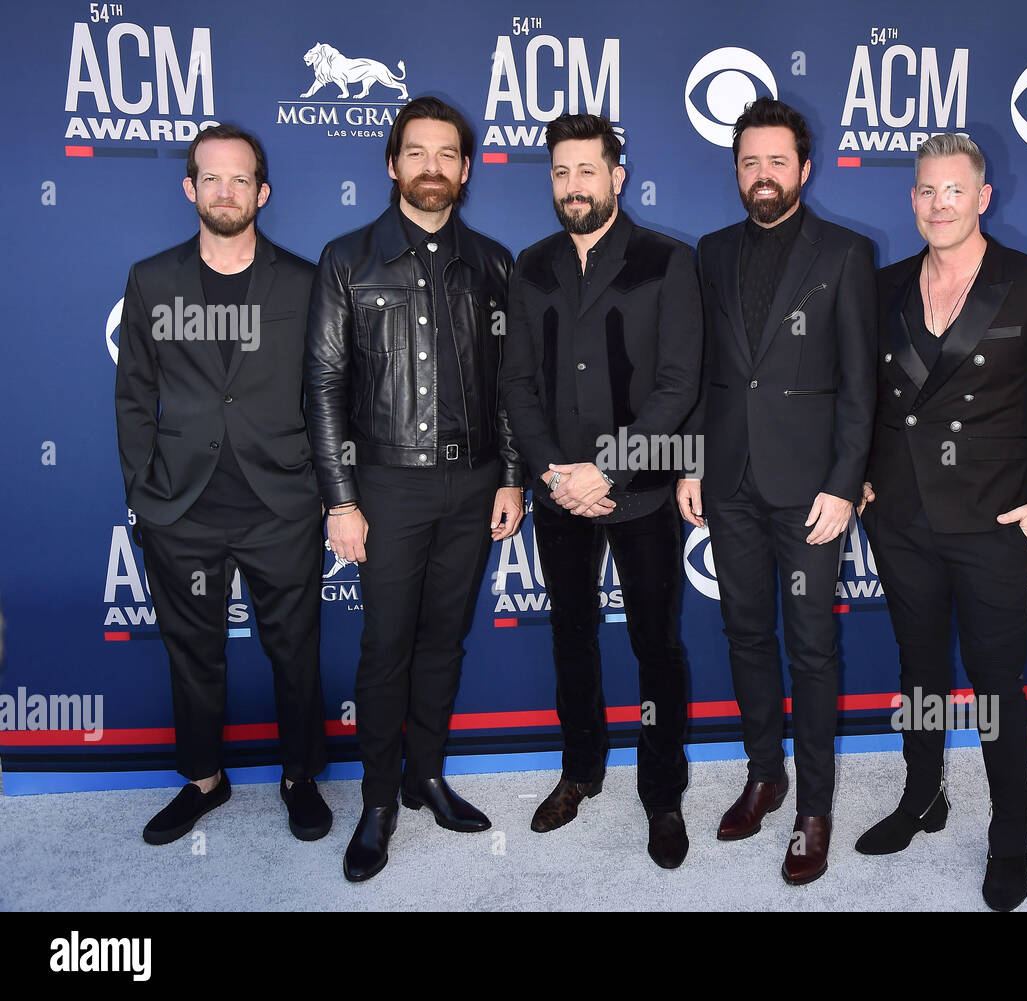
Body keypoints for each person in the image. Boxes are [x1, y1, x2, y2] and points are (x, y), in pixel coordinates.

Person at [854, 133, 1027, 911]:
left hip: (994, 523)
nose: (937, 203)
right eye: (925, 190)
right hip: (901, 519)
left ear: (983, 196)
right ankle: (924, 796)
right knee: (917, 672)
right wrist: (859, 478)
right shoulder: (884, 286)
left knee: (995, 687)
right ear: (912, 198)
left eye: (953, 190)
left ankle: (1009, 832)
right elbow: (859, 395)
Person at [306, 96, 524, 882]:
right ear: (393, 163)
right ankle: (378, 799)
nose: (433, 167)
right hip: (385, 486)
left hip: (473, 488)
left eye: (448, 154)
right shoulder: (346, 260)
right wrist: (340, 497)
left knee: (443, 640)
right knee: (385, 646)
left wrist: (509, 477)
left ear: (465, 170)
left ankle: (427, 775)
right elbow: (324, 385)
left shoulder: (496, 263)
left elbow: (511, 387)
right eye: (418, 152)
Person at [114, 123, 330, 846]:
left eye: (241, 179)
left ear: (262, 192)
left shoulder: (304, 282)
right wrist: (142, 491)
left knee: (295, 651)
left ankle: (300, 775)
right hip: (182, 506)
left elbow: (330, 393)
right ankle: (204, 778)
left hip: (281, 505)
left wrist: (333, 494)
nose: (226, 190)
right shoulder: (152, 279)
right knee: (192, 649)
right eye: (212, 177)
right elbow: (134, 391)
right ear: (190, 188)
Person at [679, 97, 876, 885]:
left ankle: (814, 807)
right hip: (728, 481)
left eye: (777, 161)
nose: (764, 175)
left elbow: (862, 386)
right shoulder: (712, 251)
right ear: (737, 170)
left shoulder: (845, 253)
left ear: (805, 167)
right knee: (746, 634)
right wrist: (691, 461)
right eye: (750, 163)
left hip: (809, 492)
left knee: (812, 647)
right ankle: (766, 775)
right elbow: (700, 371)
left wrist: (844, 481)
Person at [500, 113, 702, 869]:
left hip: (640, 492)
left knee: (656, 644)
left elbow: (679, 383)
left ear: (618, 176)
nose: (574, 186)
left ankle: (662, 792)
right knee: (571, 636)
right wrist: (554, 471)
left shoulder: (666, 261)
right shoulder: (533, 264)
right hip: (557, 493)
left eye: (588, 170)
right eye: (561, 172)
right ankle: (581, 768)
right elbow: (516, 383)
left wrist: (606, 469)